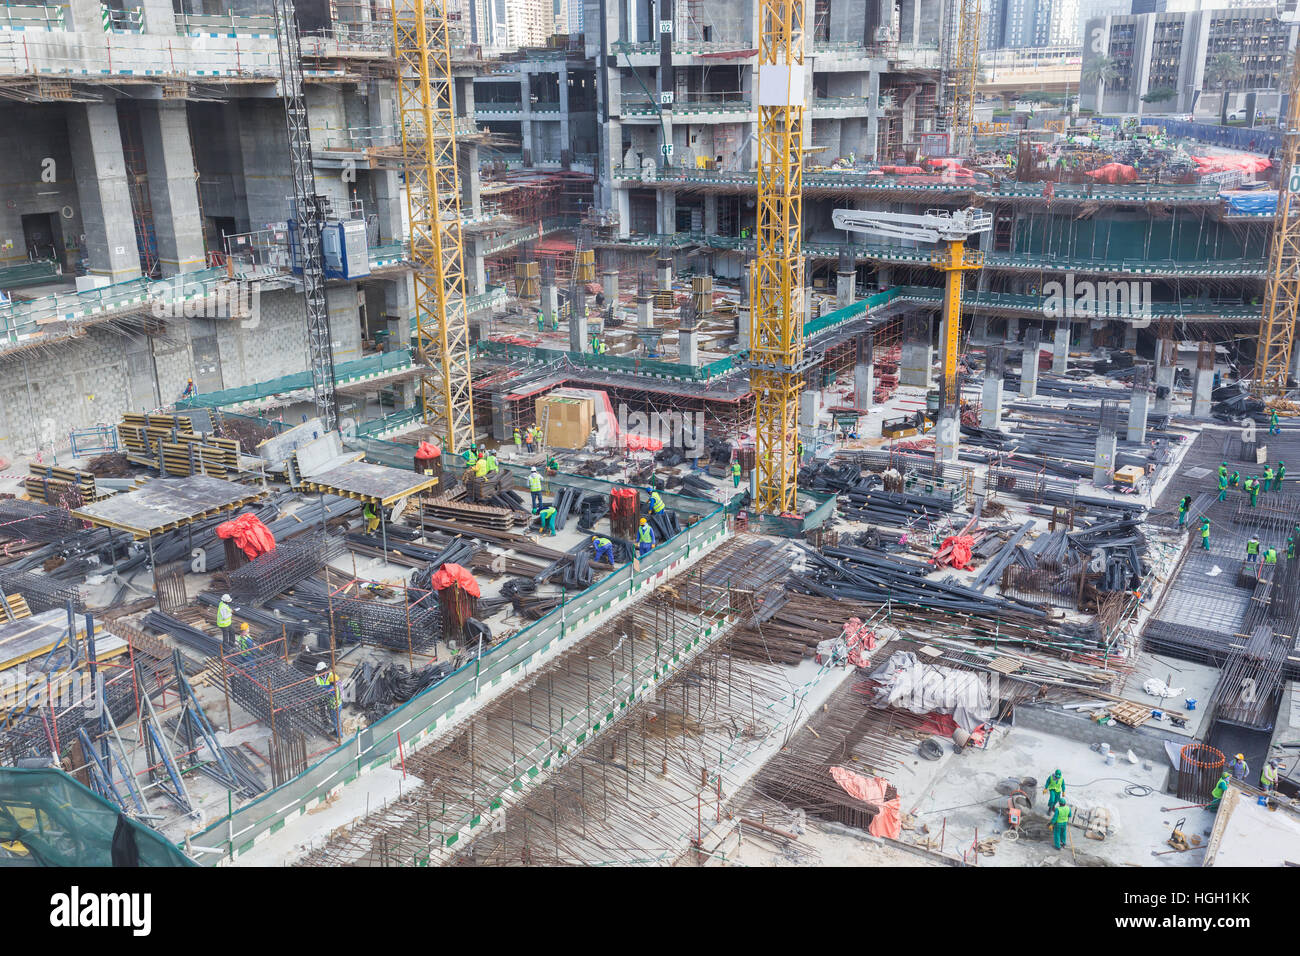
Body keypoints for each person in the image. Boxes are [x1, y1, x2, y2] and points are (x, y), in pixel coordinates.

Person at [315, 661, 341, 736]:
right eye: (318, 671)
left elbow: (334, 685)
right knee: (322, 710)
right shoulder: (316, 677)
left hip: (330, 698)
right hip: (322, 696)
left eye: (320, 671)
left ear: (324, 670)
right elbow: (318, 687)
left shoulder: (330, 675)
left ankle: (337, 732)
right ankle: (326, 722)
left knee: (333, 715)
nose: (319, 672)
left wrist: (328, 689)